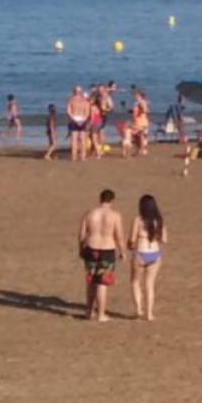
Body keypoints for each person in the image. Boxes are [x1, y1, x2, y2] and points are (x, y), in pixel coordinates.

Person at [78, 189, 125, 322]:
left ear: (100, 199)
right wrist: (122, 251)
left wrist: (80, 249)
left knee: (91, 281)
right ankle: (101, 314)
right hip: (107, 249)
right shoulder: (115, 215)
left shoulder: (89, 214)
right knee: (102, 283)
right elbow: (119, 236)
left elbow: (81, 235)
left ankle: (88, 312)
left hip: (91, 248)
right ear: (112, 201)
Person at [128, 194, 167, 321]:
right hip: (155, 253)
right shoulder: (159, 220)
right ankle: (149, 314)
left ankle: (139, 309)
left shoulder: (138, 220)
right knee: (149, 284)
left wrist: (130, 245)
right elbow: (164, 239)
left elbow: (132, 239)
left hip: (140, 252)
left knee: (135, 282)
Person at [66, 86, 91, 161]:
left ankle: (74, 157)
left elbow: (68, 111)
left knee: (74, 140)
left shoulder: (71, 100)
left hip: (74, 119)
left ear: (74, 91)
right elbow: (87, 112)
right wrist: (83, 120)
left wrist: (74, 119)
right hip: (82, 119)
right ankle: (83, 157)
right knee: (83, 140)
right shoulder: (85, 101)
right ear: (81, 92)